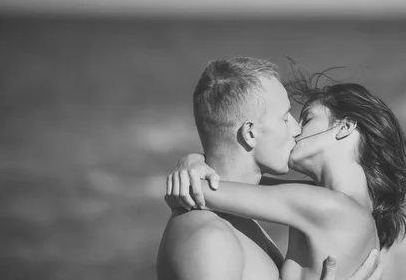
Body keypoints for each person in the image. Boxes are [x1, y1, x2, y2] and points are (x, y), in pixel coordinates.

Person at [157, 57, 384, 280]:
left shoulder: (243, 223)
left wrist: (194, 162)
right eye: (286, 118)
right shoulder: (209, 237)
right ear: (250, 133)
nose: (296, 129)